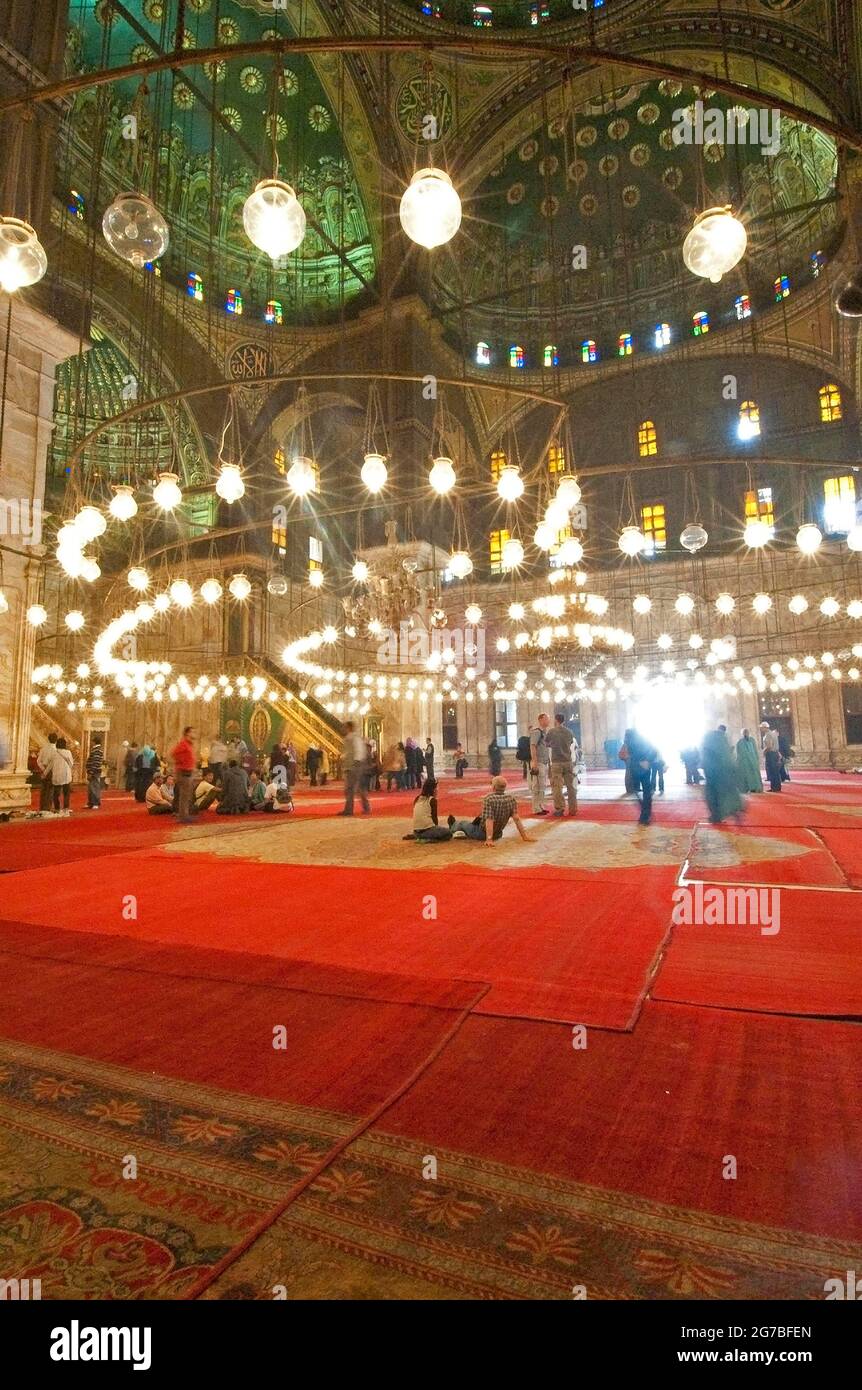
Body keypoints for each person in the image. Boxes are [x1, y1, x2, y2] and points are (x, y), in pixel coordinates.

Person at [448, 776, 535, 847]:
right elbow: (517, 819)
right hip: (498, 834)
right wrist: (524, 836)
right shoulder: (511, 799)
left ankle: (451, 828)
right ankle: (461, 832)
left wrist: (489, 839)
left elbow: (489, 820)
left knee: (462, 823)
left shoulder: (489, 799)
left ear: (493, 787)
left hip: (482, 834)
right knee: (473, 823)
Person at [702, 724, 745, 824]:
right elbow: (729, 758)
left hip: (712, 773)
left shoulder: (709, 739)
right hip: (724, 772)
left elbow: (705, 758)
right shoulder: (724, 740)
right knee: (729, 792)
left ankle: (716, 816)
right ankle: (735, 810)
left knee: (712, 795)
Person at [545, 712, 578, 817]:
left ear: (556, 720)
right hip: (568, 762)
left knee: (557, 787)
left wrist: (553, 745)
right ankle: (573, 809)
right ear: (564, 720)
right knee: (571, 787)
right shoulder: (569, 732)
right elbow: (571, 743)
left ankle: (560, 808)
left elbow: (546, 743)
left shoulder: (551, 732)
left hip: (556, 762)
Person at [622, 727, 657, 825]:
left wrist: (646, 761)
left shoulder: (642, 740)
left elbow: (654, 751)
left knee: (645, 792)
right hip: (635, 769)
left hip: (644, 770)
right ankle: (645, 813)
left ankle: (645, 814)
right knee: (638, 792)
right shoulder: (629, 742)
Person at [403, 777, 452, 841]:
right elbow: (434, 818)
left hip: (416, 831)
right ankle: (427, 838)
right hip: (427, 830)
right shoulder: (432, 800)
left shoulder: (417, 798)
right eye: (436, 787)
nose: (437, 789)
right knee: (448, 833)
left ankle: (418, 836)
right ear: (433, 789)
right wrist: (436, 829)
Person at [340, 720, 370, 816]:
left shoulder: (354, 738)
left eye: (344, 727)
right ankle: (366, 808)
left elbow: (358, 751)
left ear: (348, 728)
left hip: (355, 766)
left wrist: (355, 764)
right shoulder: (349, 739)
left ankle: (349, 810)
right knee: (359, 788)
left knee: (350, 789)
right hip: (353, 765)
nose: (342, 729)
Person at [170, 726, 197, 823]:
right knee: (184, 796)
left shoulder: (189, 745)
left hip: (188, 772)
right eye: (192, 732)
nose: (194, 734)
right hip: (183, 772)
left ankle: (185, 815)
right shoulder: (183, 744)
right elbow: (174, 753)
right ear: (187, 733)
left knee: (186, 796)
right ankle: (183, 817)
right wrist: (182, 764)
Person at [529, 712, 551, 815]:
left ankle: (541, 806)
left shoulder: (544, 732)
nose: (548, 721)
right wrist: (534, 762)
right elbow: (533, 746)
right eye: (547, 719)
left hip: (544, 762)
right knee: (537, 786)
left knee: (542, 785)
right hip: (538, 762)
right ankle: (536, 808)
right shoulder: (536, 732)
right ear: (541, 720)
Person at [735, 728, 763, 793]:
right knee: (750, 775)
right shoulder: (742, 741)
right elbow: (740, 753)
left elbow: (739, 753)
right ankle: (752, 788)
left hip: (748, 762)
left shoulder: (745, 741)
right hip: (749, 761)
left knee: (749, 775)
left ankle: (751, 788)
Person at [51, 737, 74, 812]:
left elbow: (50, 765)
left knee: (56, 793)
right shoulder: (68, 752)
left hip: (57, 775)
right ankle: (66, 808)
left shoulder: (54, 753)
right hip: (66, 775)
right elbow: (71, 764)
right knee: (66, 793)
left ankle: (57, 808)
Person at [37, 732, 57, 811]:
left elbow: (38, 761)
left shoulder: (43, 748)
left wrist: (43, 769)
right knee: (50, 790)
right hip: (51, 771)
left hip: (43, 769)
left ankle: (42, 807)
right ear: (56, 740)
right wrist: (46, 772)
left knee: (43, 790)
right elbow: (52, 763)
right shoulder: (55, 750)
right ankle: (47, 808)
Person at [760, 722, 782, 792]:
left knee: (772, 771)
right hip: (775, 753)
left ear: (765, 727)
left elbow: (769, 746)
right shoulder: (773, 733)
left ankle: (774, 787)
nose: (761, 729)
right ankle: (777, 787)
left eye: (761, 728)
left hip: (771, 754)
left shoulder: (768, 735)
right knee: (775, 771)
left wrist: (763, 751)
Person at [85, 736, 104, 809]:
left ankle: (95, 803)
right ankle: (91, 802)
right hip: (94, 771)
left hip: (94, 771)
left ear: (94, 742)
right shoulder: (97, 749)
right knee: (91, 788)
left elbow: (95, 762)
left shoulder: (96, 750)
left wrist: (91, 772)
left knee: (94, 787)